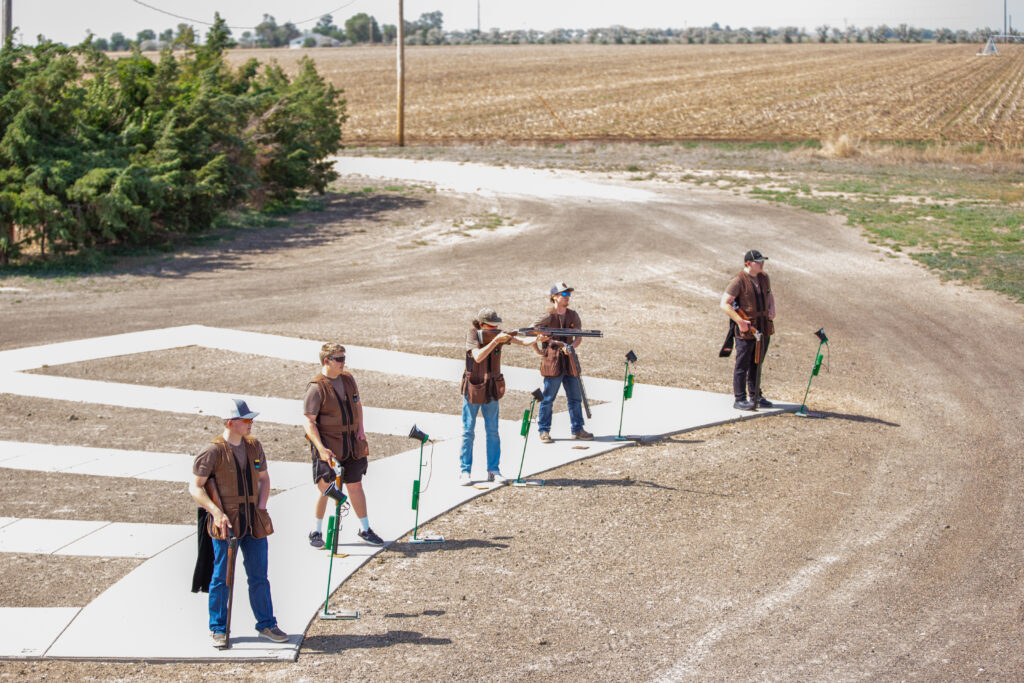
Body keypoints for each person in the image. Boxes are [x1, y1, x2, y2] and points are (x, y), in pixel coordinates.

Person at [189, 398, 288, 649]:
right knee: (221, 577)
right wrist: (216, 512)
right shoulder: (212, 451)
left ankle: (266, 623)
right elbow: (196, 487)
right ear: (231, 422)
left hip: (253, 522)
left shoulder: (254, 446)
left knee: (259, 576)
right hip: (226, 524)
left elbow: (264, 479)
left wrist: (262, 507)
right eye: (246, 420)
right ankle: (218, 629)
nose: (251, 423)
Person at [303, 342, 385, 548]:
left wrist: (360, 429)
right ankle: (316, 531)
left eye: (344, 358)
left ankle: (365, 529)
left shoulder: (348, 379)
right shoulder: (316, 387)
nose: (343, 363)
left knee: (355, 485)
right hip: (329, 447)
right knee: (327, 488)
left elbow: (357, 405)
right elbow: (309, 422)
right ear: (326, 361)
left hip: (351, 444)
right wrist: (321, 449)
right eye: (339, 359)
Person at [460, 307, 538, 485]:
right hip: (473, 387)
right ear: (481, 324)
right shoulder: (472, 335)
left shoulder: (497, 335)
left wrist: (538, 339)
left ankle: (494, 470)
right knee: (468, 432)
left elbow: (524, 342)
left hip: (492, 389)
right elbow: (478, 356)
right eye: (492, 326)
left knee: (493, 432)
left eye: (497, 326)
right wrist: (495, 341)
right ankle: (465, 471)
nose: (496, 329)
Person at [533, 282, 594, 443]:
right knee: (548, 398)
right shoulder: (547, 316)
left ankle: (578, 429)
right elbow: (532, 331)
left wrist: (571, 347)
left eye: (568, 294)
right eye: (564, 294)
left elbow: (579, 336)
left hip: (570, 360)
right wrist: (538, 347)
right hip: (553, 361)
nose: (567, 297)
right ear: (554, 296)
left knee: (575, 398)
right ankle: (543, 430)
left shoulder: (573, 315)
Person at [720, 249, 776, 410]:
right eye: (758, 261)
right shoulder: (738, 280)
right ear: (748, 263)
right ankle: (740, 398)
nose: (762, 264)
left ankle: (755, 395)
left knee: (757, 363)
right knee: (742, 364)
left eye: (762, 261)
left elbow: (769, 294)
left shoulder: (764, 278)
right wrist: (739, 321)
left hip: (763, 327)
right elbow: (725, 303)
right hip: (746, 330)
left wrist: (772, 309)